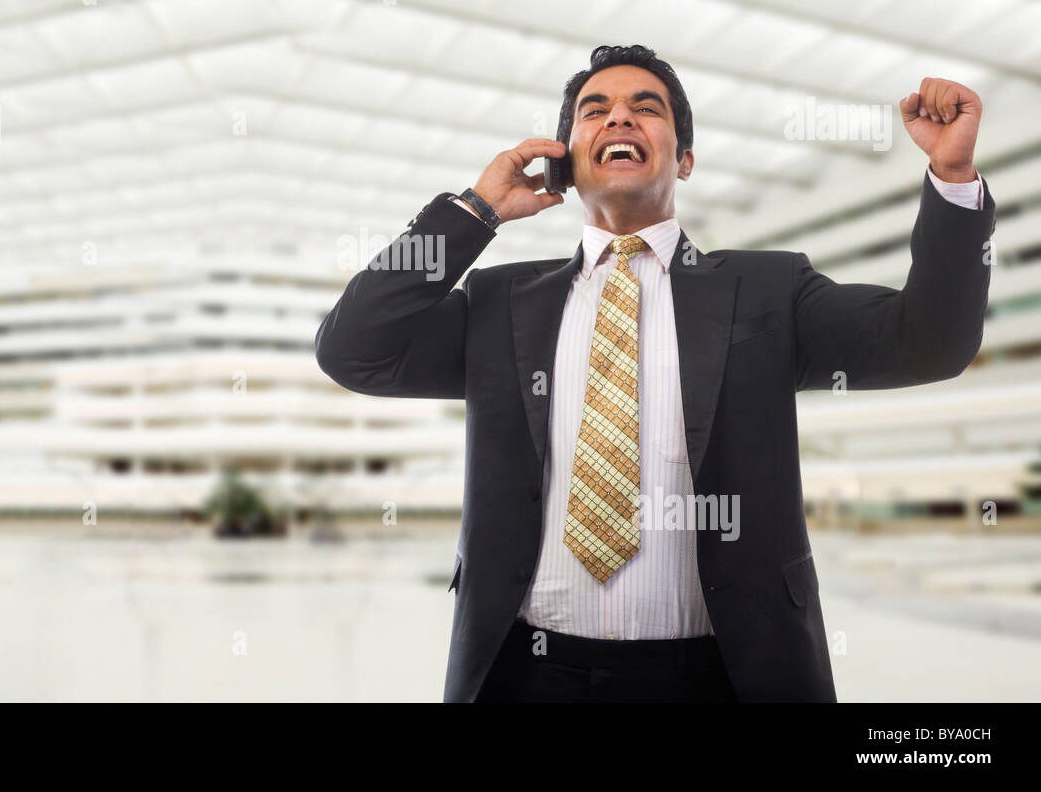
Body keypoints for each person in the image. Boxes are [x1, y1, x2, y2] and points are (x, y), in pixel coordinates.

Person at [314, 44, 994, 702]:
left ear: (685, 159)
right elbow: (354, 349)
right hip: (525, 674)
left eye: (647, 108)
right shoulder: (499, 305)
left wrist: (953, 179)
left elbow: (928, 343)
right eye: (594, 110)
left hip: (720, 676)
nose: (618, 117)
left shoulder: (767, 291)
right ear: (565, 163)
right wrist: (474, 211)